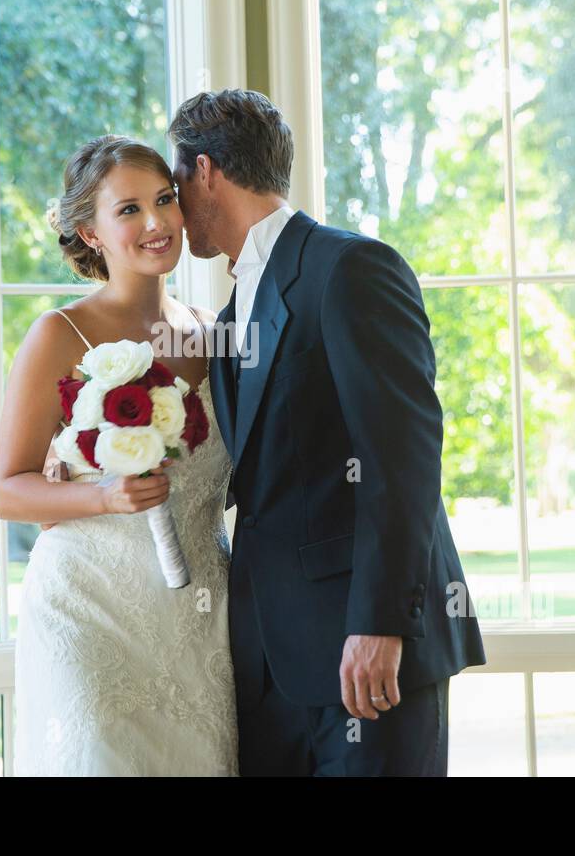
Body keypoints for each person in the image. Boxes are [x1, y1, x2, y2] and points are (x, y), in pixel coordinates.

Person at [167, 88, 487, 776]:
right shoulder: (226, 316)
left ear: (206, 172)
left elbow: (402, 460)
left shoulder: (351, 269)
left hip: (365, 655)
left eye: (174, 186)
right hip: (266, 669)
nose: (172, 209)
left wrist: (381, 623)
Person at [0, 135, 237, 775]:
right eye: (128, 209)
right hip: (87, 608)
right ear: (89, 231)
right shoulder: (59, 335)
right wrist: (101, 496)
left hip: (197, 612)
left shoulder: (216, 335)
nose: (156, 223)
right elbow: (8, 489)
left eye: (164, 200)